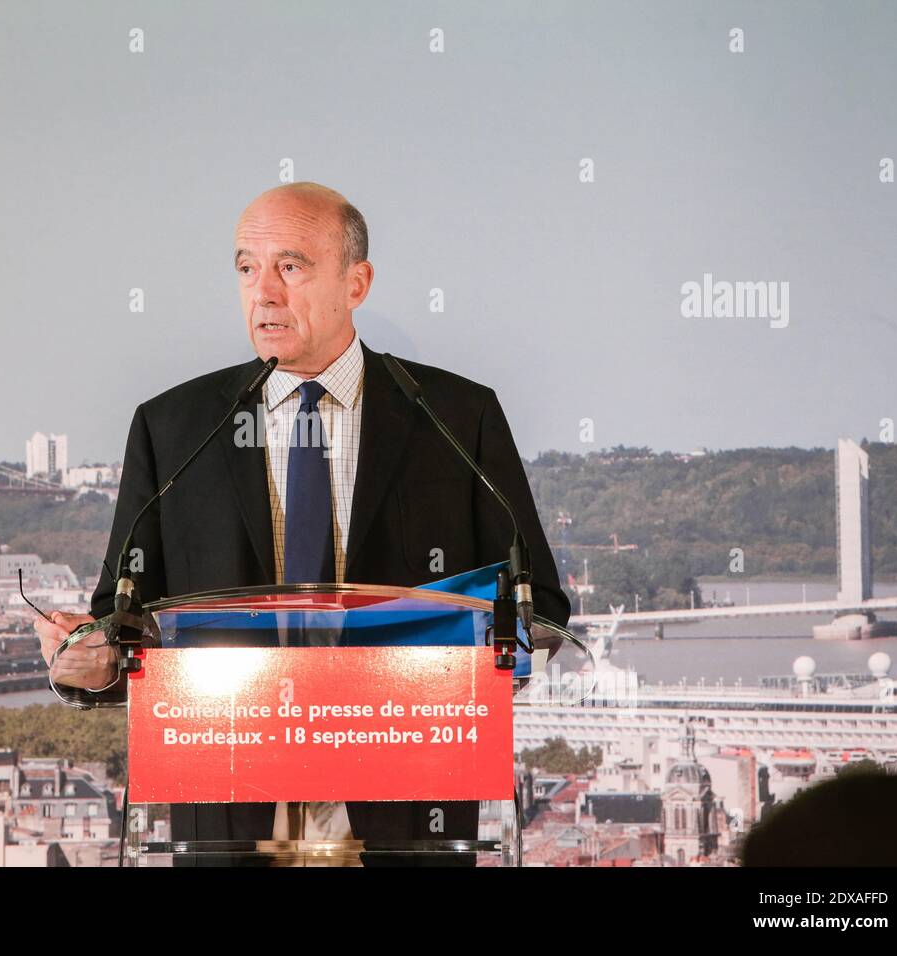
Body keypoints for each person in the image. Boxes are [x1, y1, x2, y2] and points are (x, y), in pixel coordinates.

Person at [35, 182, 569, 858]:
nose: (264, 292)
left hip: (408, 805)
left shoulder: (457, 417)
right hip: (227, 807)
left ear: (357, 282)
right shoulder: (173, 429)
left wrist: (495, 658)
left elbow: (539, 607)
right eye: (245, 268)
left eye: (290, 266)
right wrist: (89, 661)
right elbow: (124, 618)